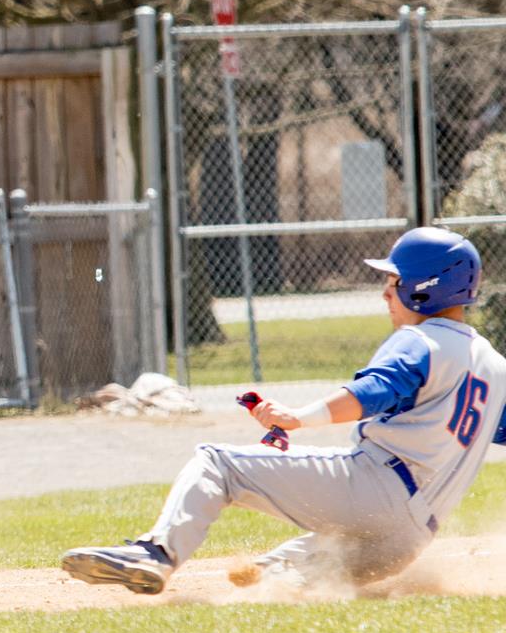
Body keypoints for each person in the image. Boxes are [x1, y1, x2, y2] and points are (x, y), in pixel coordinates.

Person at [63, 227, 506, 595]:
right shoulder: (494, 367)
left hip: (374, 493)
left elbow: (372, 391)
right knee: (263, 579)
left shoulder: (422, 340)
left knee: (216, 463)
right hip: (408, 540)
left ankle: (154, 554)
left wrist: (299, 417)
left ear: (422, 288)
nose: (385, 292)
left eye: (394, 280)